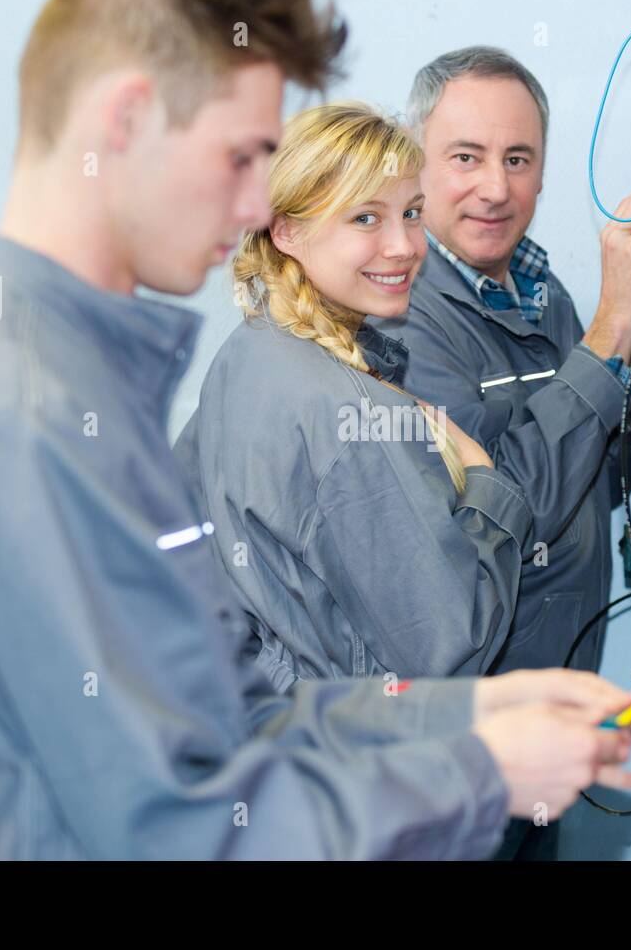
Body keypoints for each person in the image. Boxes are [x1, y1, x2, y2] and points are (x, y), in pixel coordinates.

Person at [0, 0, 631, 860]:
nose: (257, 208)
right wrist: (478, 771)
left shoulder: (76, 374)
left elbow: (228, 709)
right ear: (126, 120)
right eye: (241, 157)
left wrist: (468, 714)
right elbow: (176, 819)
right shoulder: (24, 420)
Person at [374, 46, 631, 859]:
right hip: (468, 737)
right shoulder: (404, 320)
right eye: (466, 157)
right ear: (416, 167)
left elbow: (595, 486)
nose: (495, 187)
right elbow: (502, 513)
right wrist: (612, 330)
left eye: (518, 159)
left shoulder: (545, 296)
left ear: (544, 174)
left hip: (548, 709)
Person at [176, 102, 534, 690]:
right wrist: (485, 482)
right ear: (286, 229)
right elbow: (448, 650)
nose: (403, 246)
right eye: (366, 219)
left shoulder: (249, 351)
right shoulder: (354, 416)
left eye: (412, 213)